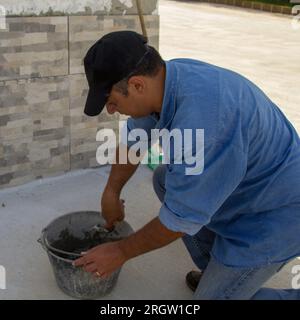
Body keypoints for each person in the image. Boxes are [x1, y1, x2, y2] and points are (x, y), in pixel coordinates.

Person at [73, 31, 300, 300]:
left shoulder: (205, 125)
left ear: (136, 85)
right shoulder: (167, 79)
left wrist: (120, 252)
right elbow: (135, 138)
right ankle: (221, 273)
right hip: (245, 190)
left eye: (112, 102)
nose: (111, 110)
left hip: (276, 217)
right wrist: (111, 192)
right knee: (163, 179)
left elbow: (181, 217)